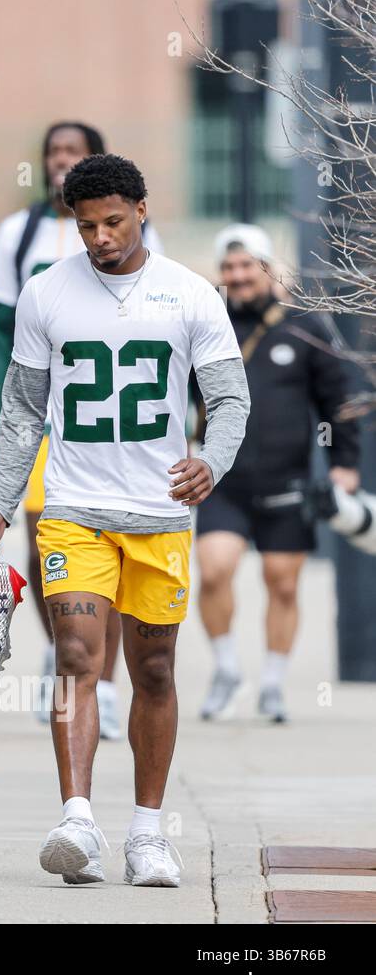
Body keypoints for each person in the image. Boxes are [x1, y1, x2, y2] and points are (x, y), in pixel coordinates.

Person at [0, 154, 250, 887]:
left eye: (113, 221)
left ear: (142, 210)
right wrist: (0, 503)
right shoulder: (44, 294)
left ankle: (148, 834)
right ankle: (77, 820)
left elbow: (229, 401)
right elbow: (25, 410)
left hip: (160, 514)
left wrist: (211, 461)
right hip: (73, 510)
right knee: (77, 656)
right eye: (86, 225)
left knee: (154, 667)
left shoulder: (190, 295)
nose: (99, 237)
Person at [0, 123, 163, 738]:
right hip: (41, 417)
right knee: (45, 549)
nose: (61, 161)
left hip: (103, 418)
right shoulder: (19, 233)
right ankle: (70, 655)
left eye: (73, 153)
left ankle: (99, 682)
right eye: (53, 153)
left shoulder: (129, 230)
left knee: (106, 544)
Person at [195, 224, 360, 723]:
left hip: (286, 480)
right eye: (229, 268)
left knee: (282, 582)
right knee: (214, 569)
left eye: (247, 266)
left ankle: (271, 683)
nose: (238, 276)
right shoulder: (206, 325)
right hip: (220, 479)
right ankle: (226, 668)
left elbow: (338, 401)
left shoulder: (306, 326)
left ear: (268, 269)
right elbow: (175, 393)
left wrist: (343, 465)